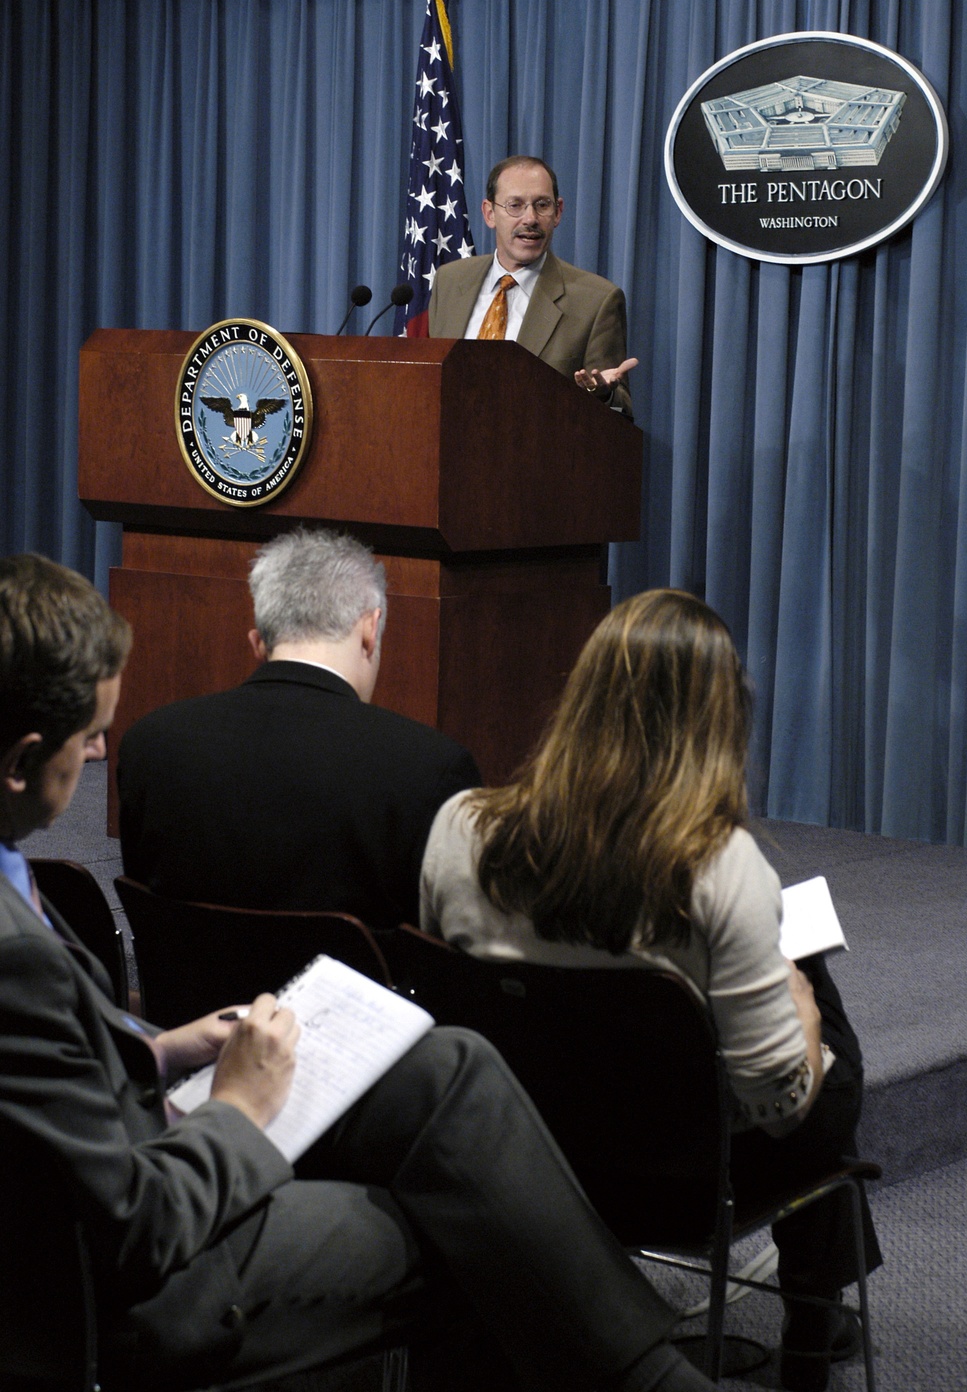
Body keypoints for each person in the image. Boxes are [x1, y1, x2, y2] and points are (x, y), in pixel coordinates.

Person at [0, 551, 720, 1392]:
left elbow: (43, 1073)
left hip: (151, 1130)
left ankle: (647, 1369)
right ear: (19, 760)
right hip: (151, 1283)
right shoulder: (13, 957)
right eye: (90, 734)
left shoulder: (42, 854)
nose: (99, 754)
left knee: (446, 1067)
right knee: (474, 1226)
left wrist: (158, 1049)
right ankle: (653, 1380)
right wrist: (238, 1107)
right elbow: (133, 1228)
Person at [421, 589, 883, 1392]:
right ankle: (811, 1324)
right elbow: (780, 1105)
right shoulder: (722, 870)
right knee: (825, 1037)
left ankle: (814, 1313)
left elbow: (447, 1011)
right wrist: (805, 1014)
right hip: (687, 1182)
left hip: (520, 1162)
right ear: (718, 720)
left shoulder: (460, 831)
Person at [118, 528, 481, 925]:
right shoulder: (432, 769)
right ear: (370, 630)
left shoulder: (150, 744)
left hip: (190, 987)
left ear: (258, 643)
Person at [429, 154, 637, 417]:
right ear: (489, 213)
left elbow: (622, 416)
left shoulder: (596, 302)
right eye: (515, 205)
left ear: (558, 212)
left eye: (542, 205)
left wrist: (605, 396)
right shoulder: (449, 281)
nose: (530, 218)